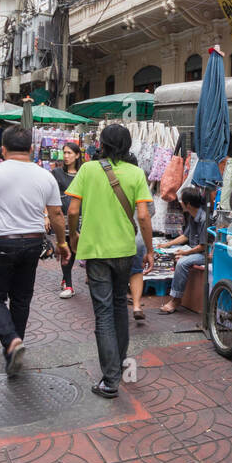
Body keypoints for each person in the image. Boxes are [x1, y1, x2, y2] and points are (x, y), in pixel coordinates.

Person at [0, 125, 71, 377]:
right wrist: (62, 243)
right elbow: (57, 214)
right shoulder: (45, 175)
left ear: (2, 149)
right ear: (32, 149)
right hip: (33, 243)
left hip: (2, 242)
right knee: (21, 298)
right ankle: (15, 346)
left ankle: (11, 341)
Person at [66, 123, 154, 398]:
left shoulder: (88, 169)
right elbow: (143, 216)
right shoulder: (136, 172)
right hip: (125, 250)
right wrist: (149, 249)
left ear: (101, 144)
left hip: (95, 250)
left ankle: (110, 379)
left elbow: (72, 210)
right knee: (119, 305)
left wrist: (73, 236)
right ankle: (119, 362)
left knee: (103, 312)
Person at [158, 188, 208, 314]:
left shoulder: (204, 219)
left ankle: (176, 299)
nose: (179, 203)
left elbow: (203, 247)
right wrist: (167, 245)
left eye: (181, 201)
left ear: (188, 204)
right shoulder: (193, 216)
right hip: (195, 250)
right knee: (172, 253)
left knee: (182, 262)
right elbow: (185, 236)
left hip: (206, 254)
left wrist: (184, 253)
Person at [51, 142, 82, 298]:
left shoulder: (83, 173)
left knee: (77, 249)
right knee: (66, 249)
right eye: (65, 153)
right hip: (62, 216)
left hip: (81, 216)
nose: (66, 156)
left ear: (77, 155)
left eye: (70, 153)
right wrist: (46, 215)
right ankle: (69, 285)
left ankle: (66, 278)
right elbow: (49, 195)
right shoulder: (56, 173)